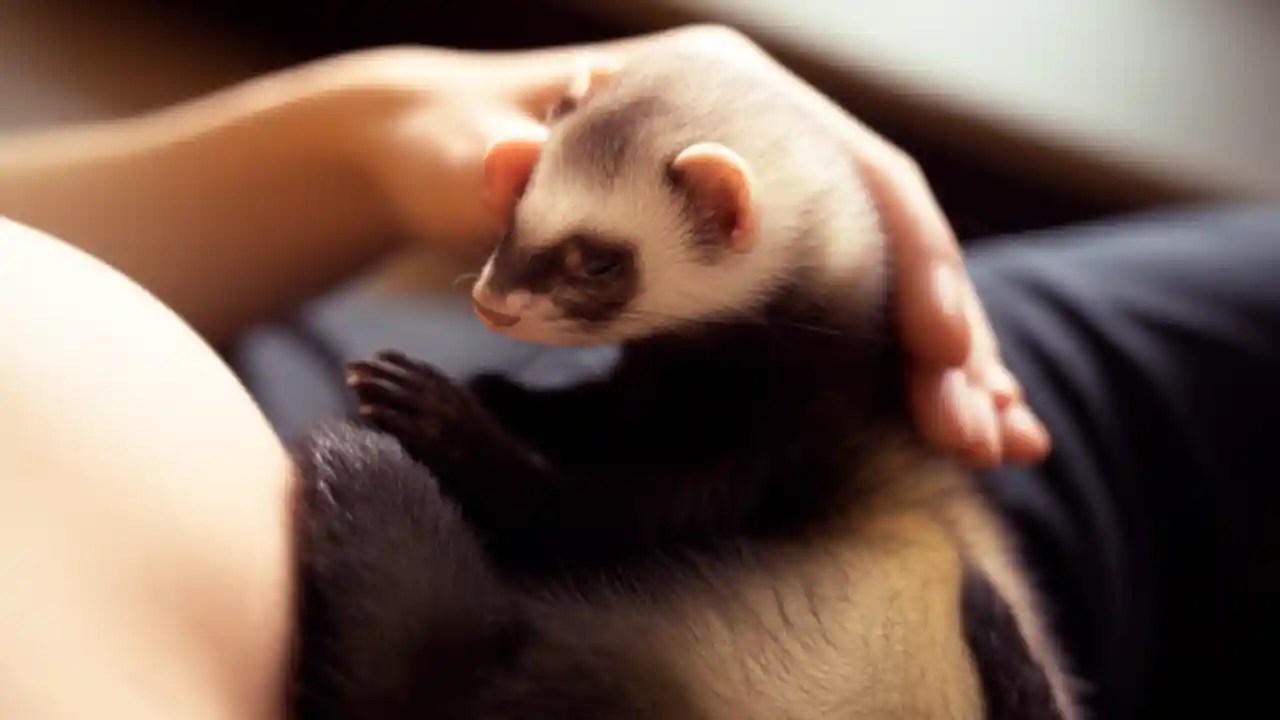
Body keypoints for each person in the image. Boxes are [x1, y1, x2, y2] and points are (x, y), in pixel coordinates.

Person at [0, 23, 1273, 719]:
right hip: (500, 624)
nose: (500, 290)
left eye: (570, 265)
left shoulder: (749, 323)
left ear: (726, 218)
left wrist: (371, 131)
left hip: (745, 491)